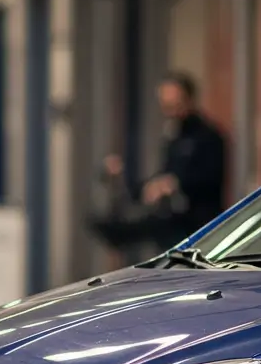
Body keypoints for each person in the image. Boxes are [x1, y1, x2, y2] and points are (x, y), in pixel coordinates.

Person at [92, 71, 227, 254]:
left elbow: (209, 178)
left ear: (187, 99)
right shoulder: (174, 135)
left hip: (197, 225)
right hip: (170, 220)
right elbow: (165, 173)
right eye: (165, 104)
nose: (169, 108)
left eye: (173, 103)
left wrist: (174, 184)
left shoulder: (208, 137)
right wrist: (147, 186)